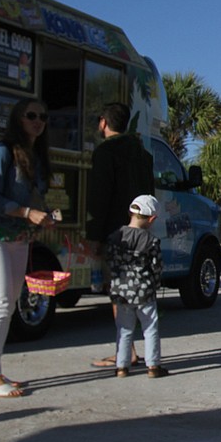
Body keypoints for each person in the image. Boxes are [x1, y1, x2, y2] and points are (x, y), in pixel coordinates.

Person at [0, 98, 56, 398]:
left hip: (19, 237)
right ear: (17, 119)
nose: (38, 121)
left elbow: (34, 197)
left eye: (43, 116)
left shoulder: (36, 156)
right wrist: (25, 213)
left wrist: (42, 217)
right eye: (31, 115)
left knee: (8, 304)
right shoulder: (1, 151)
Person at [87, 101, 155, 369]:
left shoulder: (106, 152)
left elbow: (99, 197)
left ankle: (125, 352)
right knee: (138, 291)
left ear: (103, 122)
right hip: (140, 230)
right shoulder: (142, 153)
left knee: (119, 293)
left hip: (115, 232)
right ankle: (141, 351)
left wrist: (93, 235)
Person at [106, 194, 167, 377]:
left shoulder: (115, 237)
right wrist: (156, 282)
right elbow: (157, 266)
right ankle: (153, 366)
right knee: (150, 328)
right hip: (144, 291)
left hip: (121, 292)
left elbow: (109, 262)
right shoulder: (151, 241)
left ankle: (122, 367)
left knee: (124, 329)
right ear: (152, 218)